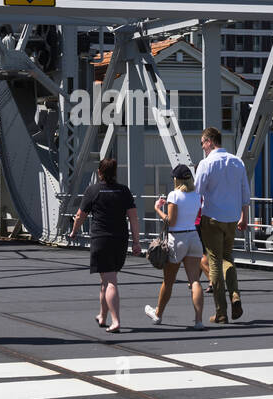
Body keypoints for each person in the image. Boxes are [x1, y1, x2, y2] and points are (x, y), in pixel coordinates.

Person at [69, 157, 141, 332]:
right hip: (120, 240)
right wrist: (137, 242)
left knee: (110, 282)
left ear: (99, 172)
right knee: (106, 279)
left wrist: (74, 231)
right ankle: (102, 315)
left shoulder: (93, 190)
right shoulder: (124, 191)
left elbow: (80, 215)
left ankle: (115, 321)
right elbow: (133, 218)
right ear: (115, 172)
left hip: (101, 239)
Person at [193, 126, 251, 323]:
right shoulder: (237, 162)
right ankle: (235, 294)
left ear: (209, 142)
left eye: (202, 143)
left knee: (215, 262)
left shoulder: (206, 163)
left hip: (212, 218)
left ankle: (221, 312)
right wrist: (245, 217)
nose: (202, 147)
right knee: (228, 257)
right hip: (232, 218)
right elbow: (245, 192)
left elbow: (197, 193)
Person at [144, 165, 205, 329]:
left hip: (177, 239)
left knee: (168, 281)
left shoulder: (174, 195)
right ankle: (199, 320)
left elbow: (171, 221)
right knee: (195, 281)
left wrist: (157, 208)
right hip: (193, 236)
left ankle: (158, 315)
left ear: (176, 179)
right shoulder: (197, 195)